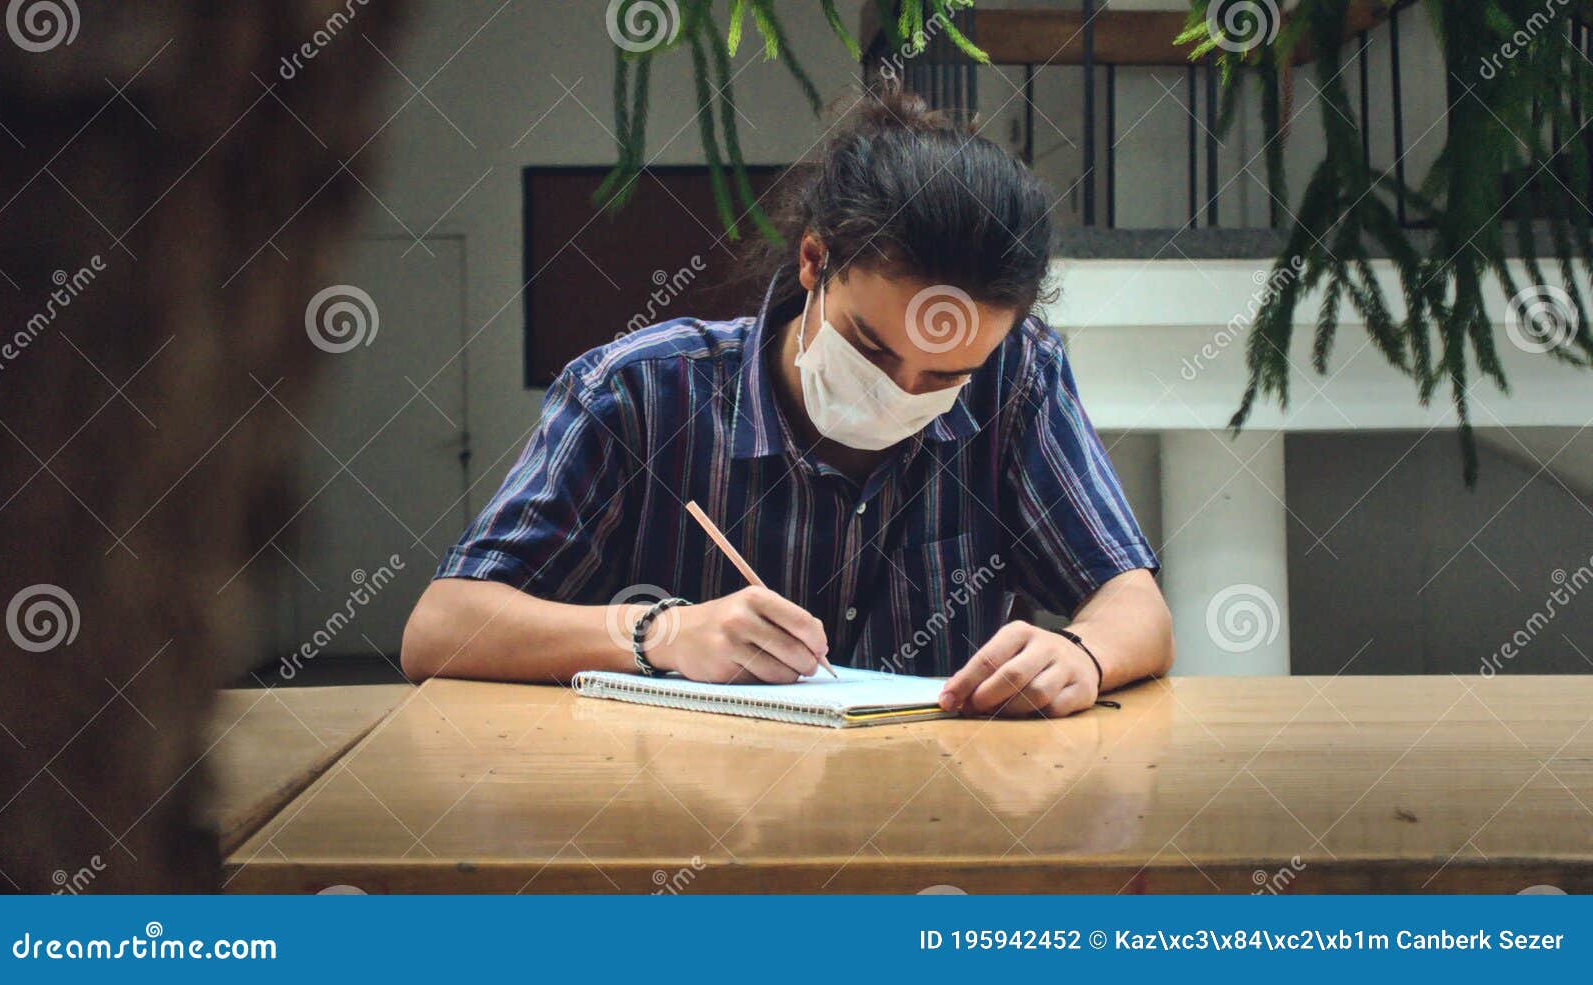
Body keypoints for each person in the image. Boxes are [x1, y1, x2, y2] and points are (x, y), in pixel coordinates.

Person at [402, 88, 1173, 718]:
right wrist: (656, 632)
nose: (901, 392)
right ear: (815, 257)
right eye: (871, 349)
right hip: (678, 823)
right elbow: (442, 628)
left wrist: (1081, 653)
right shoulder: (639, 392)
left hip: (940, 820)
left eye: (945, 377)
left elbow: (1133, 601)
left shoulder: (1019, 376)